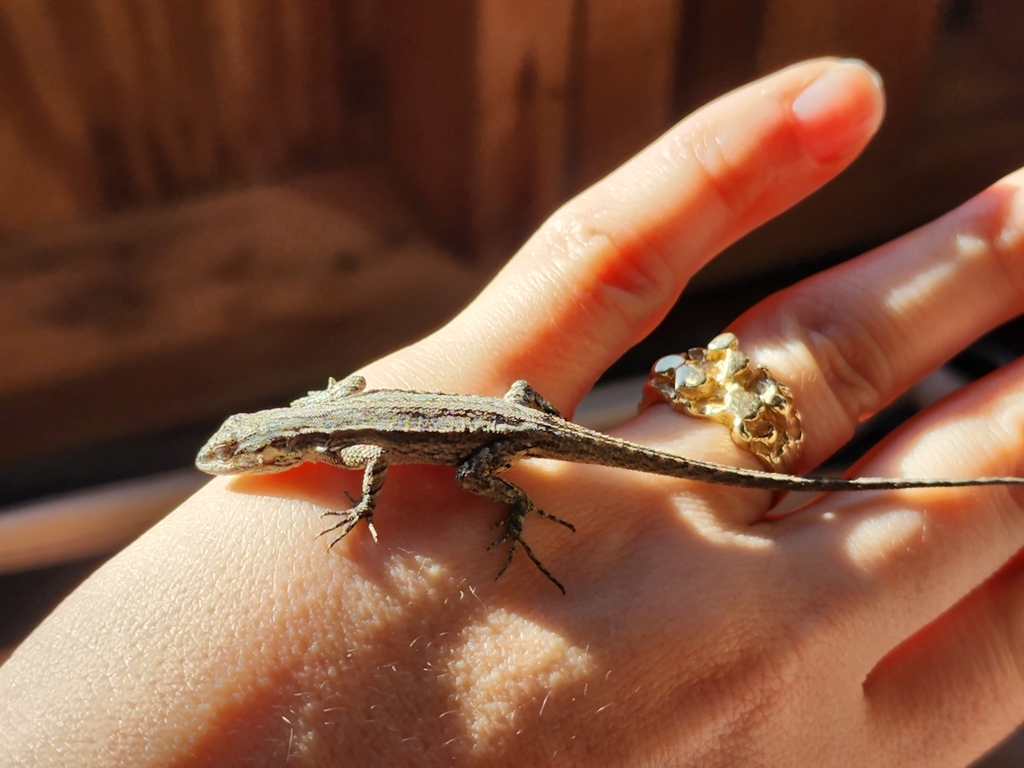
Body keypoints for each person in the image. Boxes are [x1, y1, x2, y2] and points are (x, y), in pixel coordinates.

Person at [2, 58, 1022, 767]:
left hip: (497, 439)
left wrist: (370, 514)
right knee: (506, 446)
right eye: (237, 454)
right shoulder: (324, 416)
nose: (231, 462)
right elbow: (354, 412)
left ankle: (523, 511)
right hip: (508, 411)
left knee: (486, 480)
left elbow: (370, 459)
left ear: (274, 444)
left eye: (239, 451)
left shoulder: (337, 437)